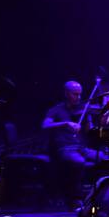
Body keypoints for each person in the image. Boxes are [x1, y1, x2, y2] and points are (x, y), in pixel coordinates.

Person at [42, 80, 98, 209]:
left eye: (80, 94)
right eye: (75, 94)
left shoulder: (83, 109)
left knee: (103, 157)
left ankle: (96, 196)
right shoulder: (56, 110)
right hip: (64, 148)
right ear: (66, 93)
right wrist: (65, 123)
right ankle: (75, 198)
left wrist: (92, 121)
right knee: (78, 162)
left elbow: (89, 130)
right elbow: (45, 125)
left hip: (81, 147)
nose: (78, 97)